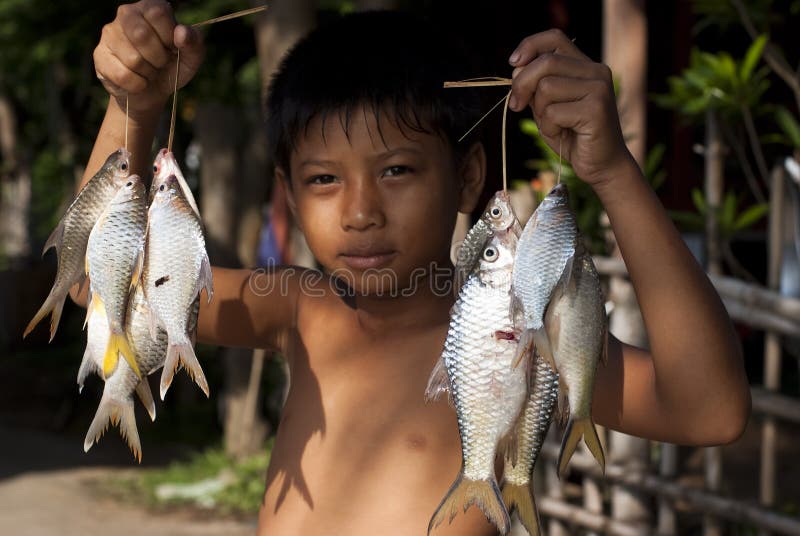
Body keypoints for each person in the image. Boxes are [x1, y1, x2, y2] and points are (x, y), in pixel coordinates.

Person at [79, 1, 750, 534]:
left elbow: (709, 412)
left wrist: (612, 172)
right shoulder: (296, 309)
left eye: (397, 170)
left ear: (468, 180)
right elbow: (97, 286)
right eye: (322, 180)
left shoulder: (518, 340)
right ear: (288, 191)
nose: (360, 211)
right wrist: (131, 108)